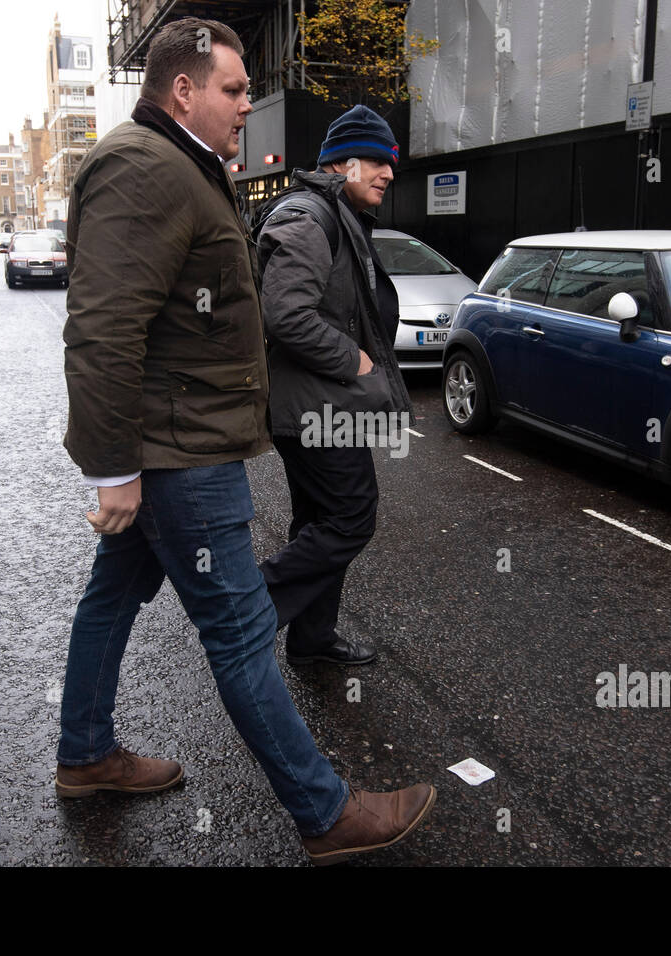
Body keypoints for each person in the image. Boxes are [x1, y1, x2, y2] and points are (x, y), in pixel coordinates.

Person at [54, 17, 434, 865]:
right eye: (232, 89)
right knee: (235, 632)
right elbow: (104, 327)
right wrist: (115, 470)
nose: (245, 106)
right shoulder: (141, 165)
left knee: (113, 600)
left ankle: (84, 753)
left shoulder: (184, 165)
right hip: (177, 455)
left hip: (179, 442)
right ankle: (325, 812)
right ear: (182, 89)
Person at [255, 106, 413, 666]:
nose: (388, 173)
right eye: (375, 161)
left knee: (319, 522)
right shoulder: (309, 217)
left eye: (391, 163)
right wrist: (357, 363)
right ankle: (248, 611)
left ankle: (312, 639)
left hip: (322, 407)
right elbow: (288, 315)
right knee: (351, 519)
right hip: (315, 410)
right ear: (340, 163)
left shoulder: (340, 214)